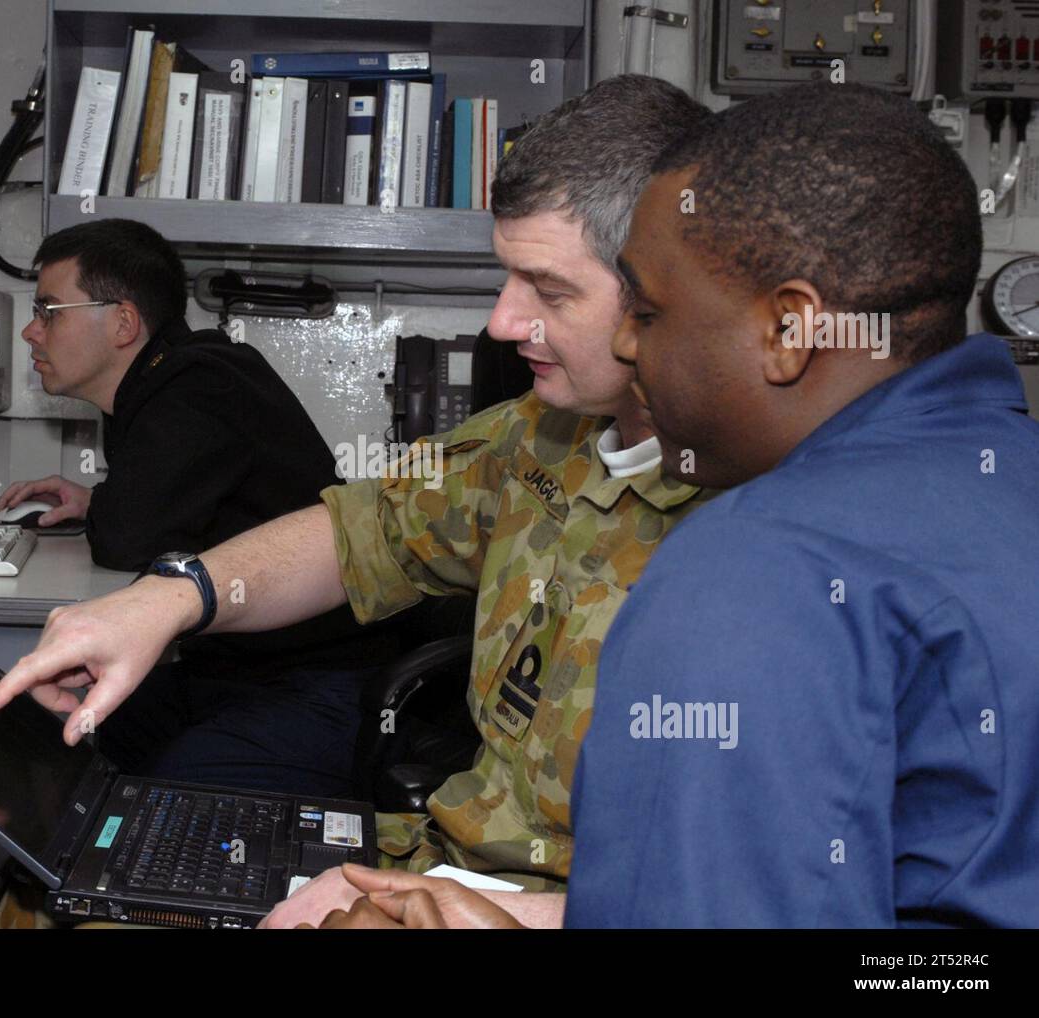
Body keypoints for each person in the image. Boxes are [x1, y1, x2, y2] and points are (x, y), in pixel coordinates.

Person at [0, 75, 717, 929]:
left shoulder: (758, 515)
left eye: (548, 292)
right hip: (438, 862)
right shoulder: (535, 435)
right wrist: (170, 599)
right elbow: (362, 531)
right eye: (506, 278)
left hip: (540, 906)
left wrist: (472, 906)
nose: (504, 322)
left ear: (664, 286)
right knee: (102, 856)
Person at [318, 81, 1039, 929]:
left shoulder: (756, 569)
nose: (627, 343)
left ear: (790, 330)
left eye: (651, 313)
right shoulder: (1003, 479)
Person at [0, 218, 396, 795]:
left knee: (164, 799)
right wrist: (95, 500)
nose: (32, 332)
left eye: (49, 311)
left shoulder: (198, 384)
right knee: (76, 750)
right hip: (241, 669)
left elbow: (126, 539)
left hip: (321, 684)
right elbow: (172, 508)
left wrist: (108, 510)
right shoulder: (173, 377)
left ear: (123, 322)